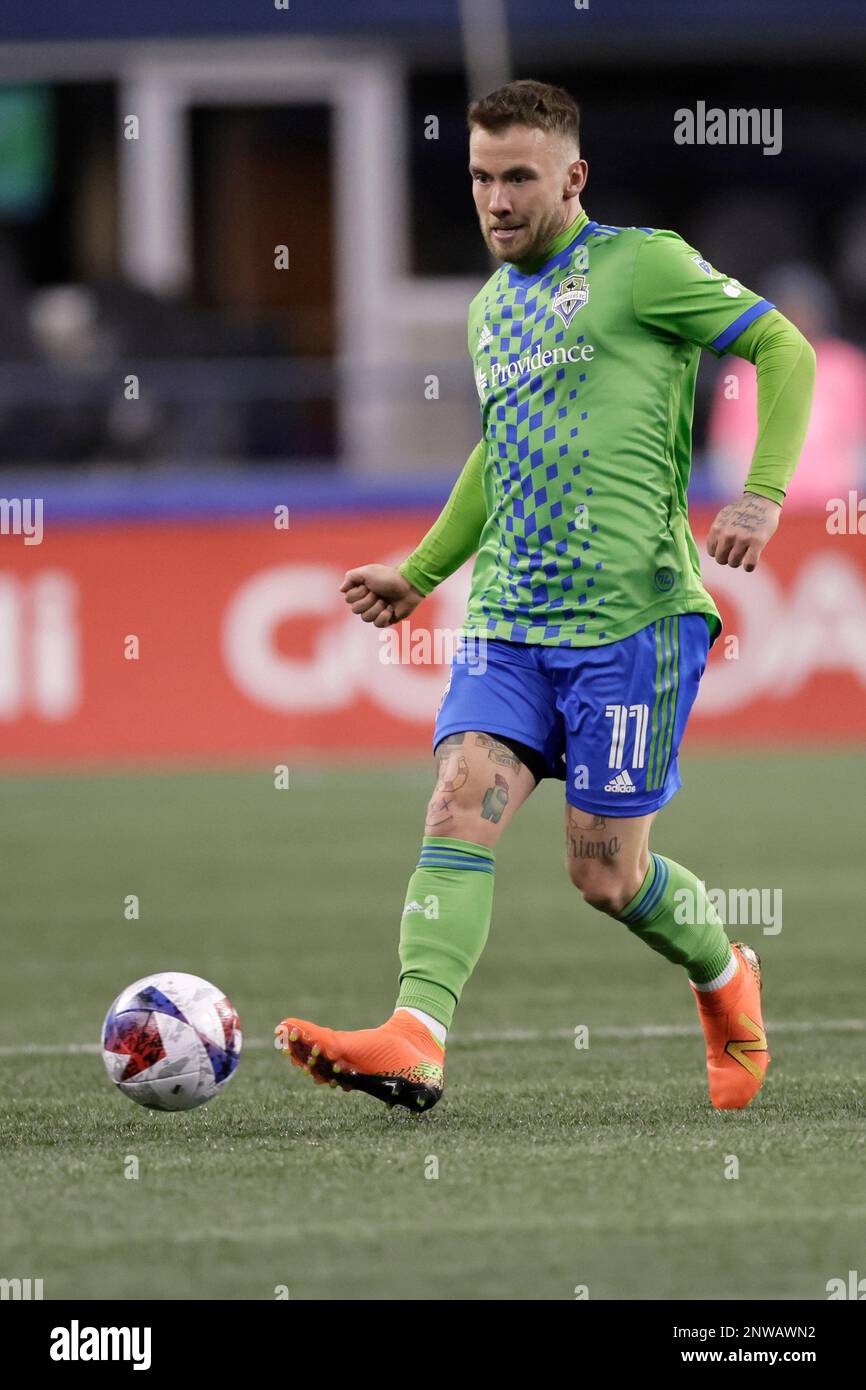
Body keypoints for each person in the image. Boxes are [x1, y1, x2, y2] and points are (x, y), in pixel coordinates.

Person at [276, 80, 815, 1113]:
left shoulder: (640, 266)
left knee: (605, 876)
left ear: (571, 177)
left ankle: (723, 976)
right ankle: (415, 1034)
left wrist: (760, 494)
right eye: (479, 178)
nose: (496, 199)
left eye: (518, 176)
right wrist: (421, 569)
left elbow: (779, 347)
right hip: (509, 623)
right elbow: (499, 455)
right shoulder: (490, 310)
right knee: (454, 798)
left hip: (632, 623)